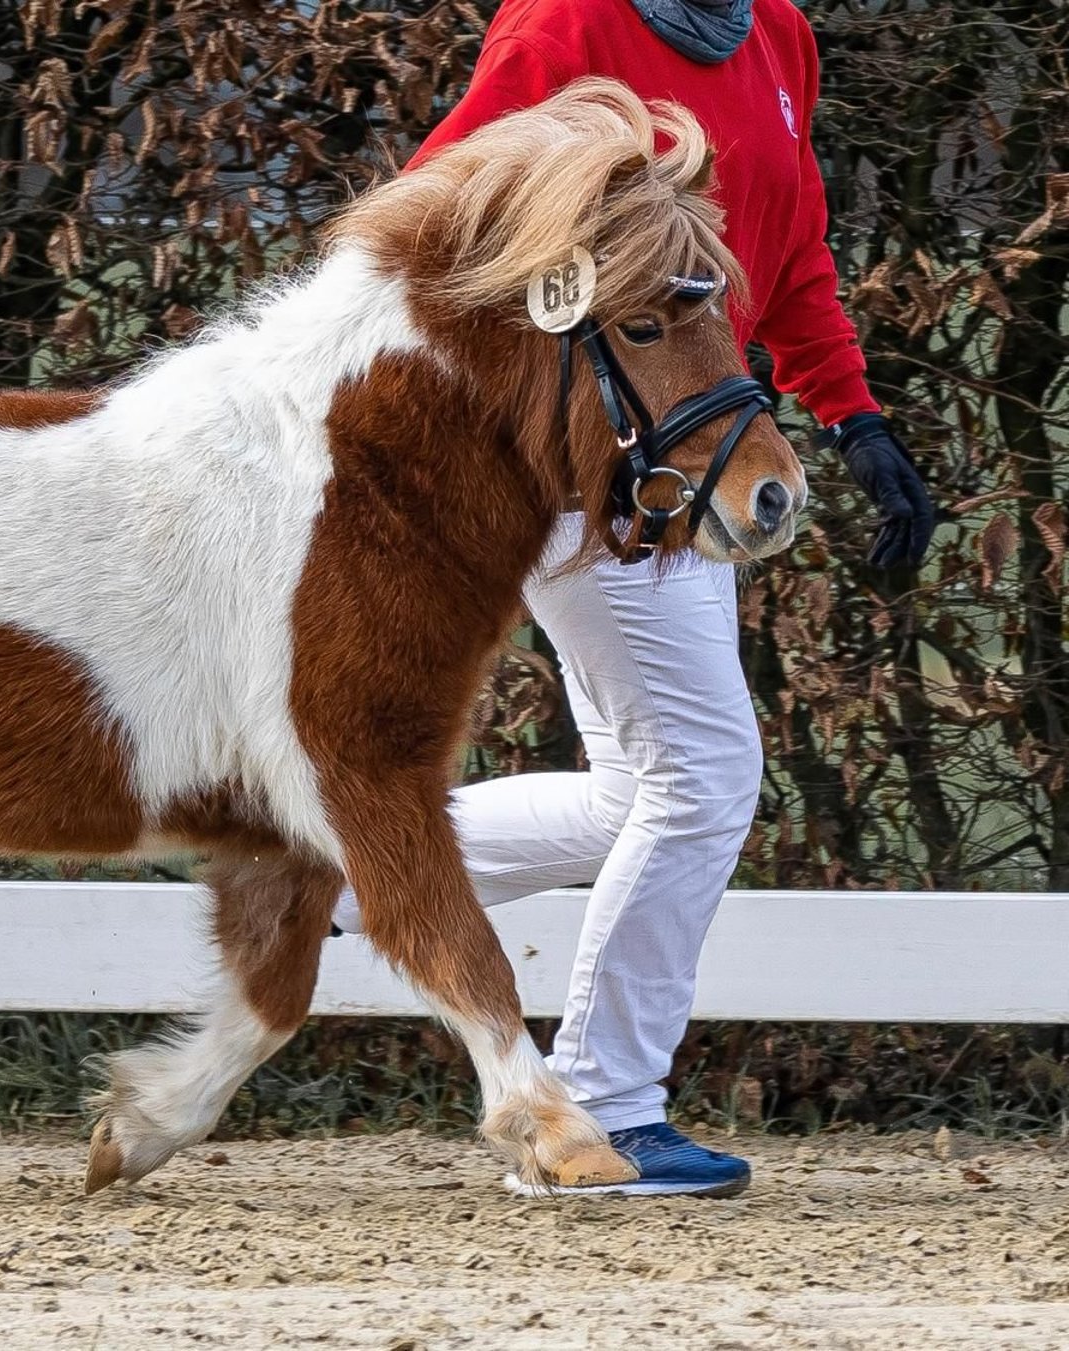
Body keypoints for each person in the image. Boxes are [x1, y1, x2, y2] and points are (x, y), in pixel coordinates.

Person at [331, 0, 935, 1197]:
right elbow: (429, 215)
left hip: (695, 454)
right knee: (702, 776)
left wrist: (855, 417)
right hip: (582, 460)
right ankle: (603, 1106)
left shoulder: (775, 33)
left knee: (638, 796)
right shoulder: (568, 24)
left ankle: (332, 882)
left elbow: (792, 256)